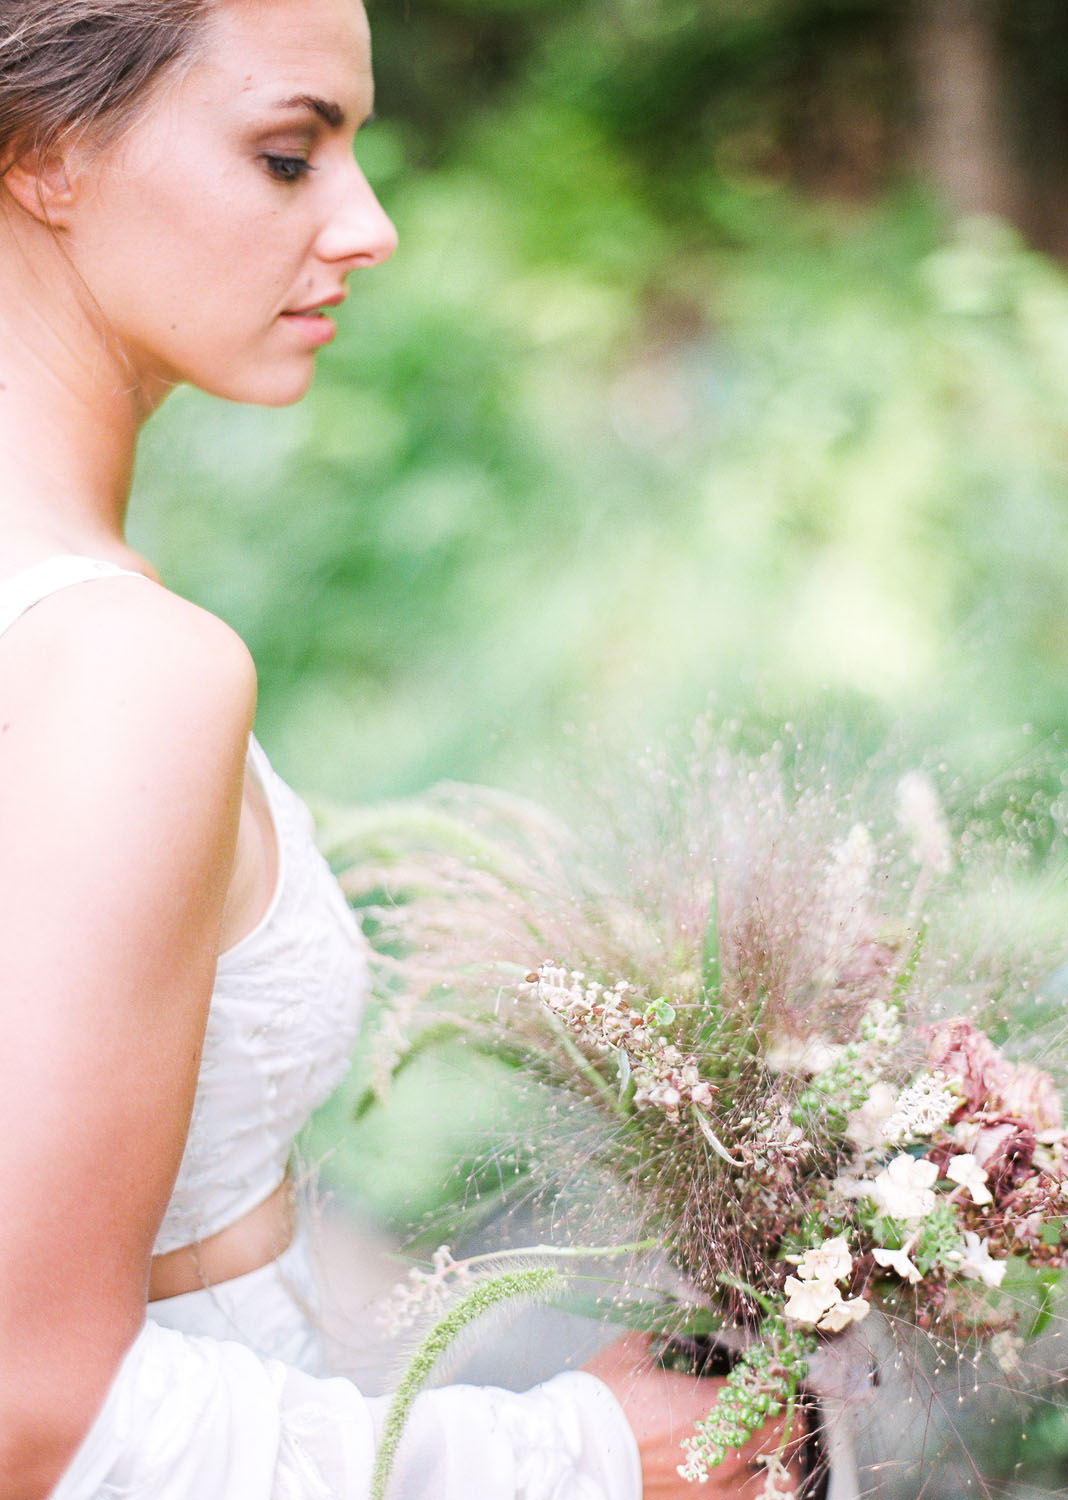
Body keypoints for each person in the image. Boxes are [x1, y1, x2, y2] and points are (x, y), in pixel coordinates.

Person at [0, 3, 800, 1497]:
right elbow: (30, 1418)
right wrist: (581, 1454)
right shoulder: (120, 669)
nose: (367, 226)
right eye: (287, 155)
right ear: (47, 151)